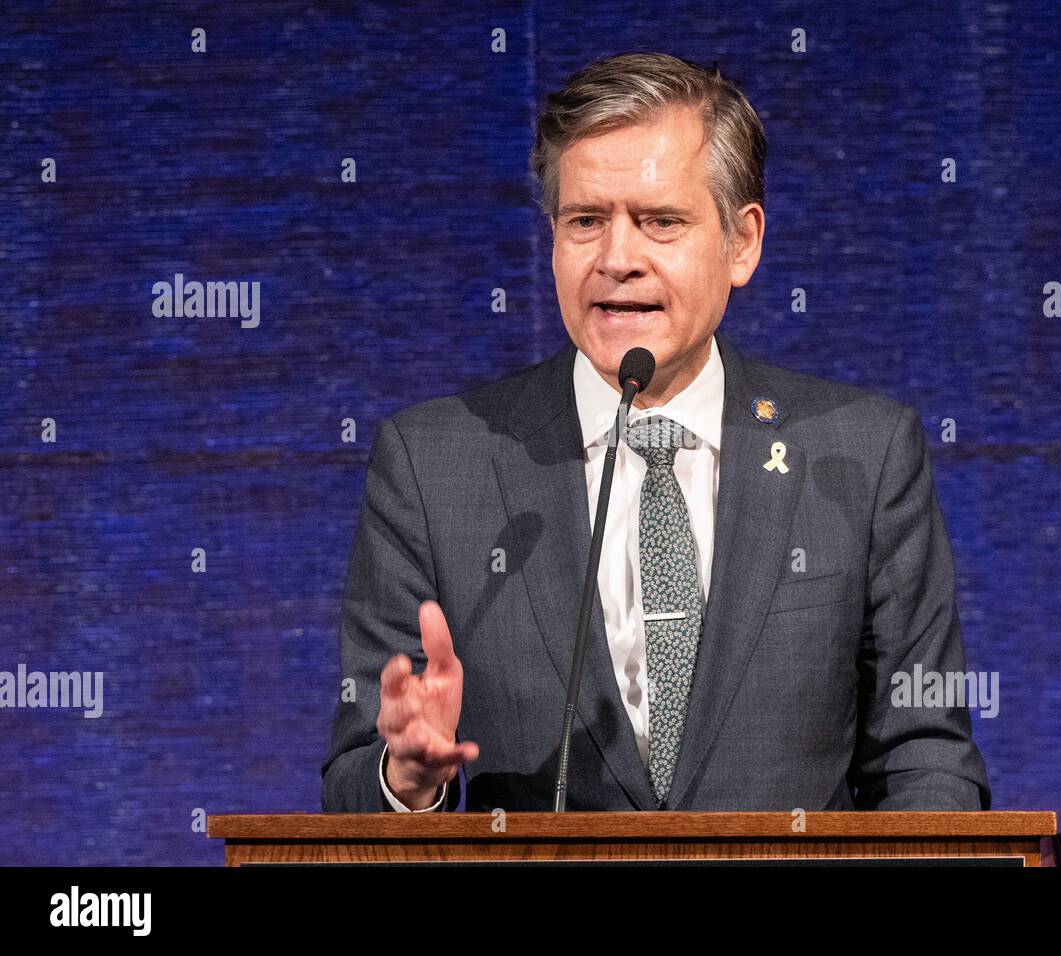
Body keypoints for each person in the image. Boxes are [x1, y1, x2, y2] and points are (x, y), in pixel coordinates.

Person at [321, 51, 990, 813]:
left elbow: (925, 759)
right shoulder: (435, 464)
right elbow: (352, 783)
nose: (616, 259)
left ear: (743, 243)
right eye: (585, 222)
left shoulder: (861, 456)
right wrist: (405, 778)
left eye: (659, 222)